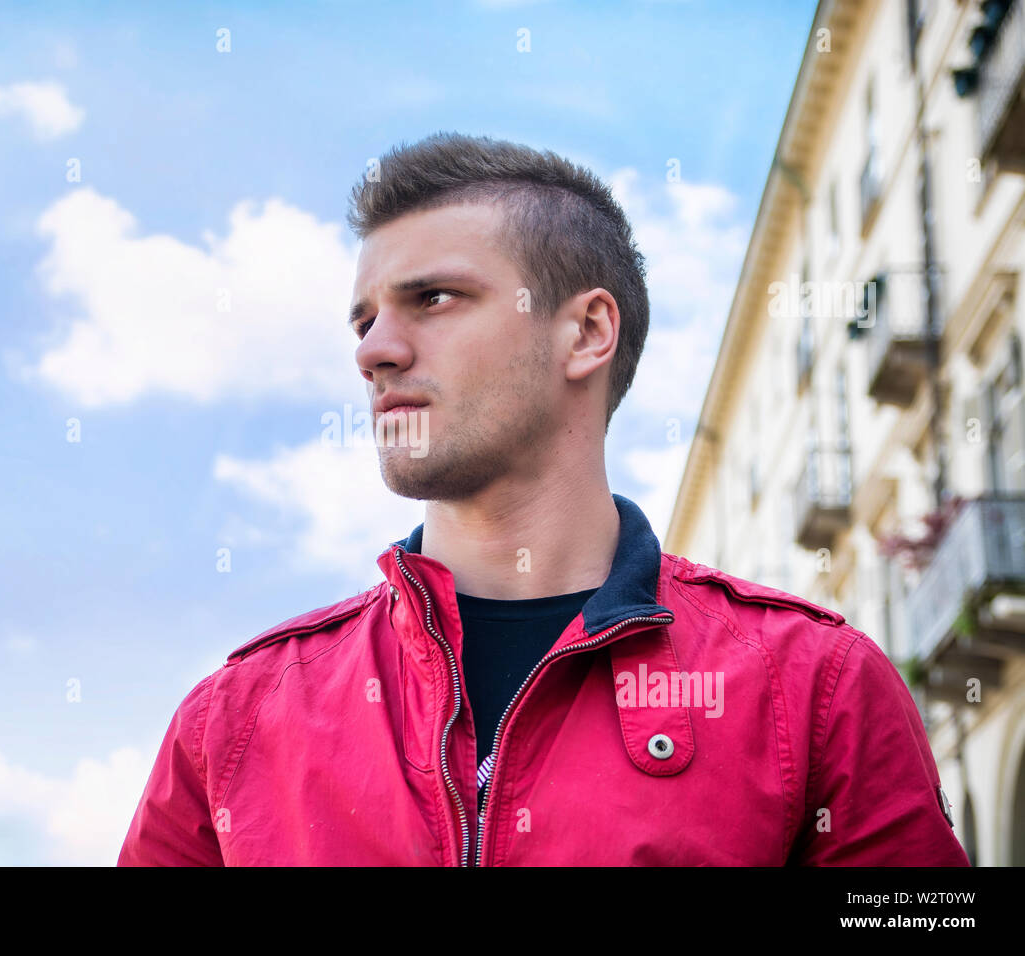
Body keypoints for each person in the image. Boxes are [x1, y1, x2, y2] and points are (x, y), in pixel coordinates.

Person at [118, 132, 970, 866]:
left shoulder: (817, 689)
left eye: (433, 298)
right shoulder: (233, 721)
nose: (373, 350)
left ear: (587, 332)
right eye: (363, 319)